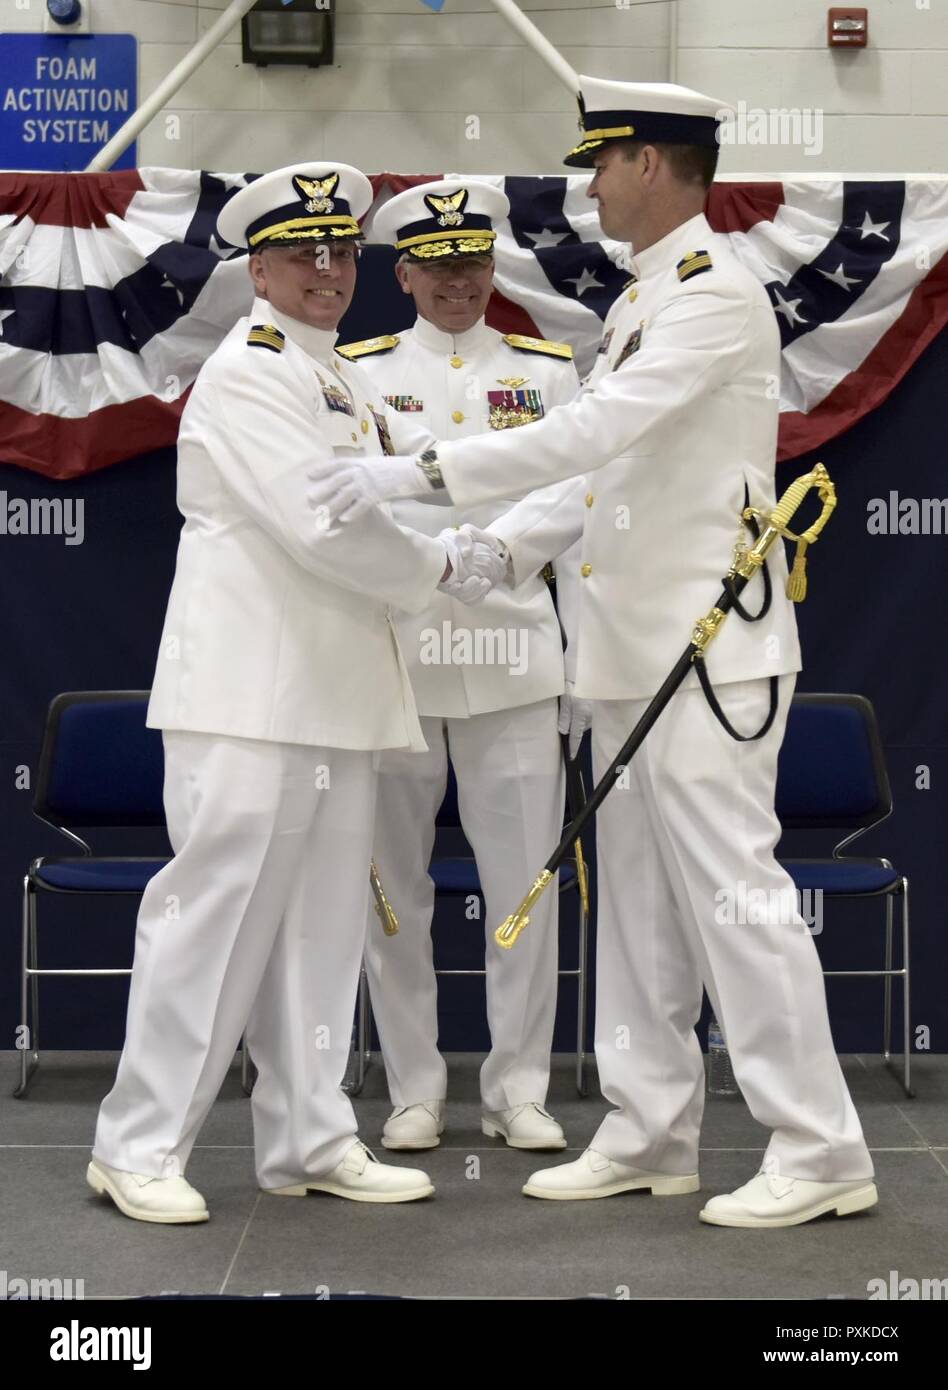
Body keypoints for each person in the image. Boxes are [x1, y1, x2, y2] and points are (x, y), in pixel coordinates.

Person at [317, 82, 879, 1229]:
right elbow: (595, 483)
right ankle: (649, 1127)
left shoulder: (711, 296)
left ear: (658, 165)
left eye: (606, 162)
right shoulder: (642, 301)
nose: (591, 183)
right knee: (638, 906)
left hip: (705, 652)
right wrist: (489, 557)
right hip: (625, 658)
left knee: (737, 896)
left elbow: (595, 430)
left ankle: (819, 1147)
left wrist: (422, 475)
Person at [87, 162, 507, 1223]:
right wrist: (443, 570)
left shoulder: (334, 373)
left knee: (323, 929)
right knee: (211, 921)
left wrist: (473, 533)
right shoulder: (252, 369)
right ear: (258, 267)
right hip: (251, 698)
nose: (326, 271)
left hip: (335, 697)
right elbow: (325, 525)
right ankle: (135, 1145)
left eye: (340, 252)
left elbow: (406, 481)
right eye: (301, 254)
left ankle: (311, 1133)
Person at [338, 181, 586, 1153]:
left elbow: (577, 478)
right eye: (437, 266)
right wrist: (431, 564)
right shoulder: (355, 373)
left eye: (473, 263)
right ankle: (414, 1088)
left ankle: (519, 1087)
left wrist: (502, 552)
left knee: (525, 880)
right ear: (403, 273)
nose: (457, 282)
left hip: (515, 655)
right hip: (396, 658)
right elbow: (352, 498)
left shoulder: (547, 369)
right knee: (395, 888)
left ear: (494, 267)